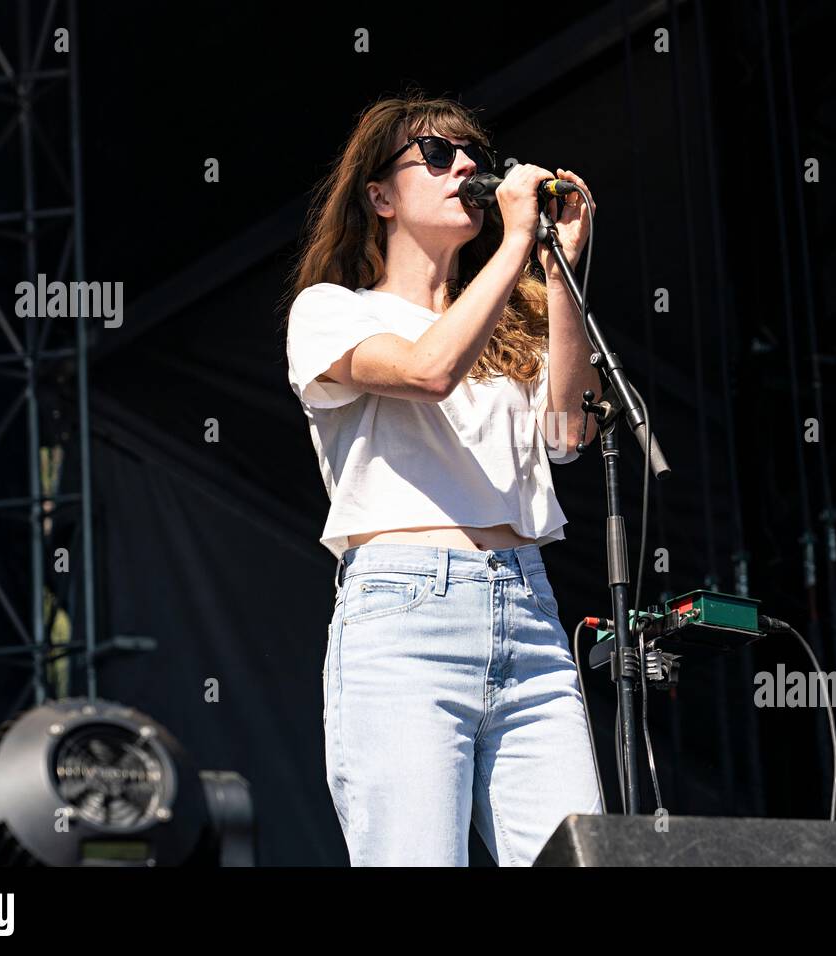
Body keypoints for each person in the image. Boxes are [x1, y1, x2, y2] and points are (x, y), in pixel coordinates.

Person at [284, 91, 604, 866]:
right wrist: (514, 245)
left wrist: (557, 271)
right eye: (437, 155)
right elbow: (429, 370)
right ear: (380, 195)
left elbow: (570, 434)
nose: (466, 167)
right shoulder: (332, 311)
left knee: (580, 857)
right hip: (405, 614)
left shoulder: (510, 318)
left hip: (527, 608)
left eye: (474, 158)